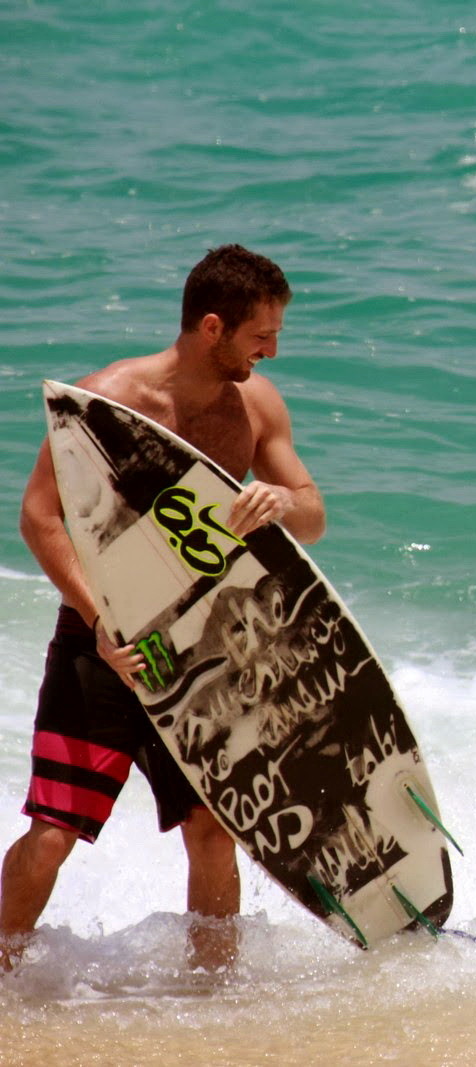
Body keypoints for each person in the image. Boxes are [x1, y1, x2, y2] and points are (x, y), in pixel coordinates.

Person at [0, 244, 325, 972]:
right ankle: (2, 970)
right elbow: (39, 518)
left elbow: (313, 514)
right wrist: (99, 620)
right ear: (212, 327)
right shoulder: (107, 402)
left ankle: (211, 996)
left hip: (206, 647)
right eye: (260, 335)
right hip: (106, 643)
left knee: (213, 828)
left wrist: (283, 505)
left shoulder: (257, 406)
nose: (271, 350)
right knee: (55, 828)